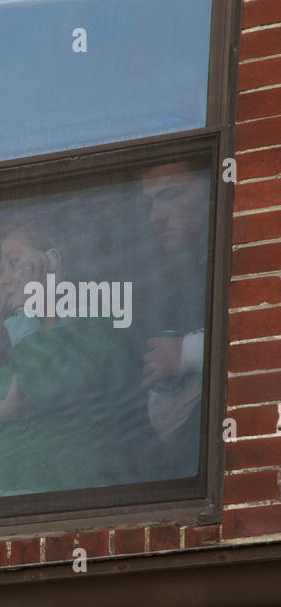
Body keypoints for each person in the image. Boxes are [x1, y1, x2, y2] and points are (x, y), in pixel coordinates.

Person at [0, 221, 129, 500]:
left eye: (14, 264)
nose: (3, 280)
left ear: (54, 263)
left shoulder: (97, 330)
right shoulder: (5, 349)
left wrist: (31, 310)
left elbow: (45, 384)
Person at [135, 161, 210, 479]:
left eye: (171, 195)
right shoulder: (181, 282)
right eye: (150, 203)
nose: (155, 216)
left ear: (213, 189)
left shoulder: (259, 258)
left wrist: (187, 353)